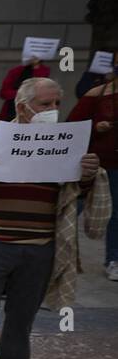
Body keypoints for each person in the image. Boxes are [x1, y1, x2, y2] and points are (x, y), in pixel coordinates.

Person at [0, 78, 101, 359]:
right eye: (45, 104)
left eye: (57, 103)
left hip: (39, 246)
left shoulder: (68, 145)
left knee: (22, 315)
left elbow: (73, 196)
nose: (53, 110)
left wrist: (86, 175)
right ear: (23, 107)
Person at [67, 62, 118, 280]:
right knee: (71, 206)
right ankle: (52, 251)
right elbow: (73, 126)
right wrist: (96, 127)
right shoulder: (97, 94)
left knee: (116, 213)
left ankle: (113, 259)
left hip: (117, 165)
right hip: (92, 161)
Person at [0, 55, 50, 122]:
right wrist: (24, 94)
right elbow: (4, 93)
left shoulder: (45, 71)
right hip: (12, 113)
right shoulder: (16, 71)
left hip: (35, 114)